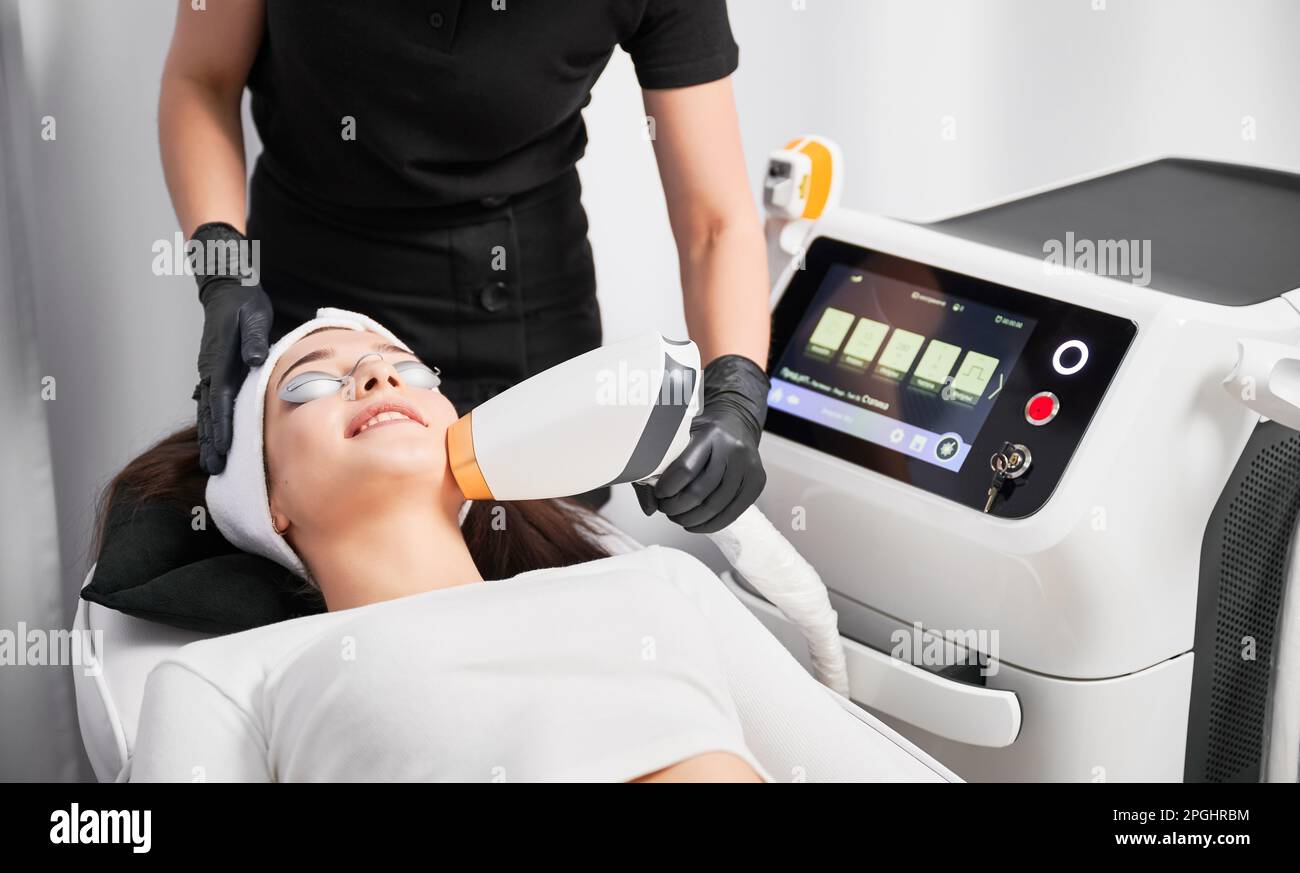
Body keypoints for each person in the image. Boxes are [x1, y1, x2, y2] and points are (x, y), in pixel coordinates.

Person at [114, 308, 956, 783]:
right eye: (309, 385)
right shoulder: (232, 674)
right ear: (271, 502)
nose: (376, 378)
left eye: (406, 368)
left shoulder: (657, 585)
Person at [160, 0, 772, 532]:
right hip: (316, 296)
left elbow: (716, 224)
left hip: (519, 310)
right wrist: (223, 272)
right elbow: (203, 80)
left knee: (529, 557)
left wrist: (738, 393)